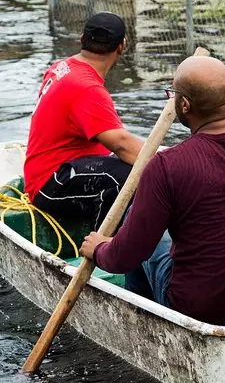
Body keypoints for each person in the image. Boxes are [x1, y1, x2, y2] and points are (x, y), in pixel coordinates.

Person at [79, 55, 225, 326]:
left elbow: (125, 257)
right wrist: (215, 87)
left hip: (193, 309)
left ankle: (141, 314)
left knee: (133, 219)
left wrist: (100, 250)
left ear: (184, 104)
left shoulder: (166, 166)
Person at [23, 12, 145, 231]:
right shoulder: (87, 88)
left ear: (82, 39)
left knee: (143, 159)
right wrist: (173, 169)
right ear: (121, 46)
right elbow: (121, 144)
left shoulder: (64, 66)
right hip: (49, 184)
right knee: (128, 177)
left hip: (48, 170)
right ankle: (104, 248)